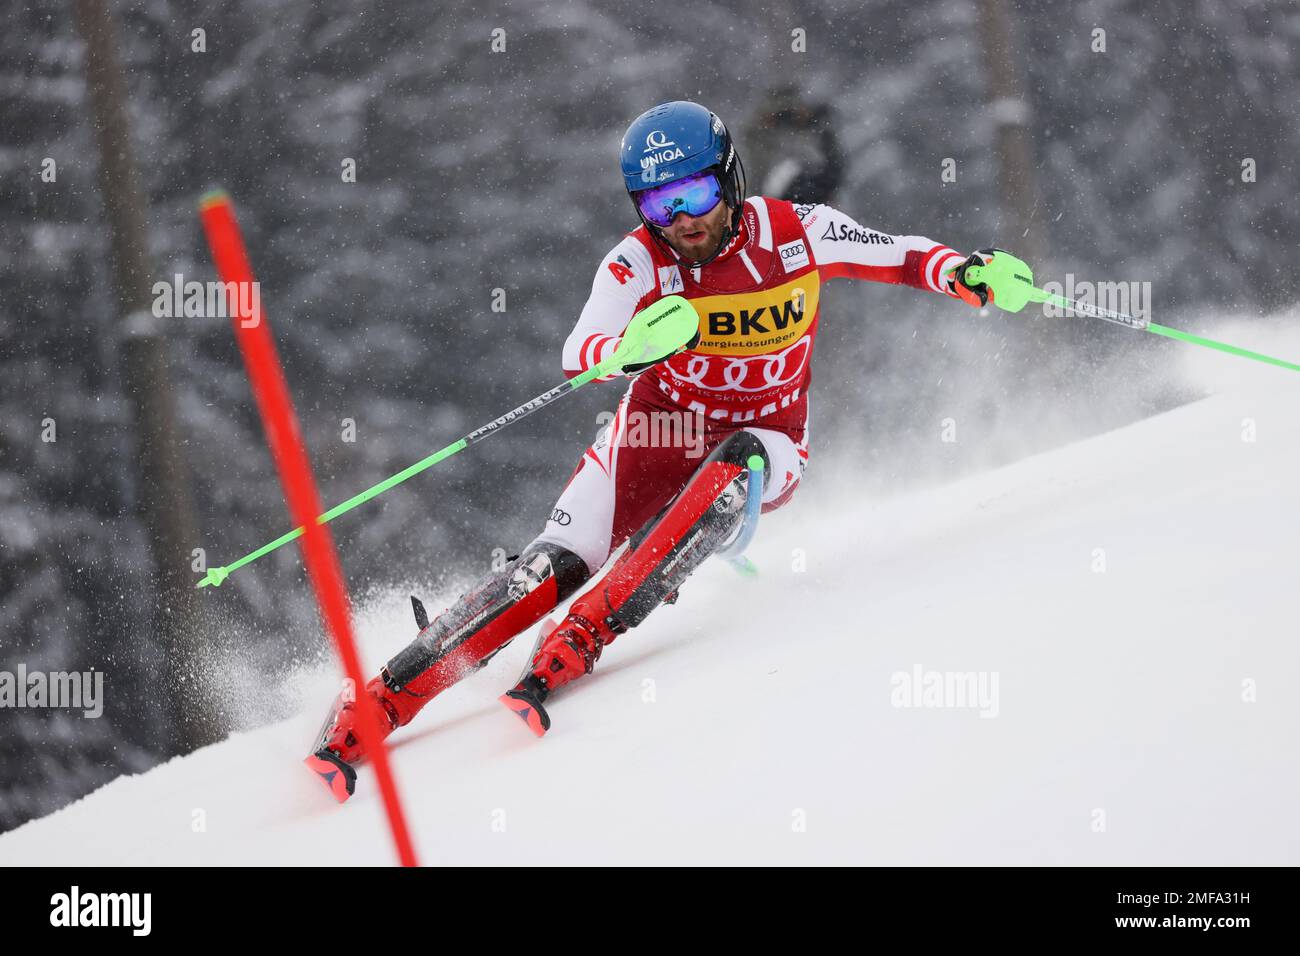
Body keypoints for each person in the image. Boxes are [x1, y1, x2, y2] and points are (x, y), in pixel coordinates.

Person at [307, 99, 1006, 800]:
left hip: (771, 434)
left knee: (739, 465)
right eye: (659, 203)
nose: (683, 220)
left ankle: (580, 639)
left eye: (697, 194)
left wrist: (968, 274)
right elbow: (580, 352)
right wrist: (625, 351)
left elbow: (901, 255)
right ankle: (377, 703)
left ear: (729, 180)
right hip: (658, 431)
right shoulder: (635, 263)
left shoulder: (797, 233)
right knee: (553, 564)